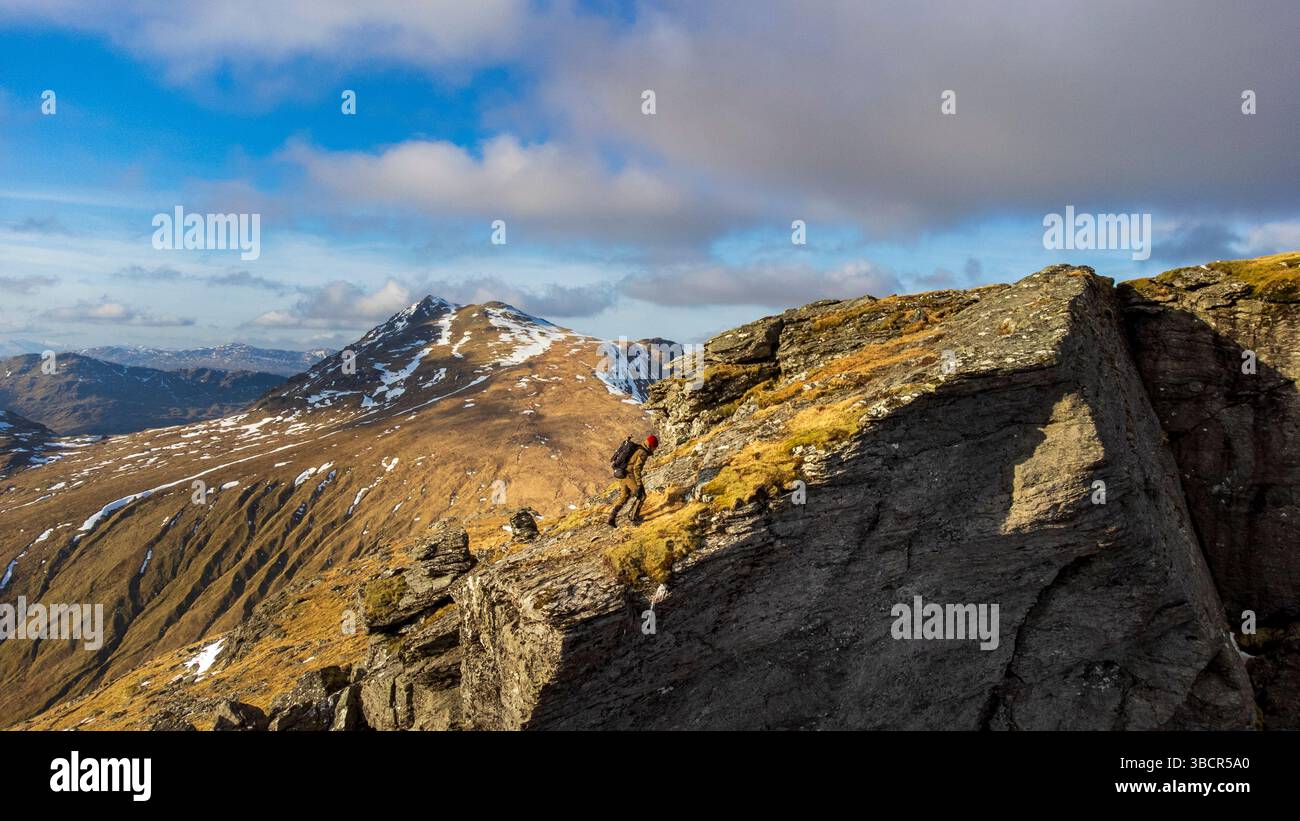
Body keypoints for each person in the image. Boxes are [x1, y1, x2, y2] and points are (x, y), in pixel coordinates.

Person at [608, 434, 658, 527]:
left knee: (624, 496)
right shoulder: (643, 453)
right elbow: (636, 469)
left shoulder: (638, 447)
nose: (654, 450)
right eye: (654, 448)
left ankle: (611, 517)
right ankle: (633, 518)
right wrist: (639, 484)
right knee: (641, 495)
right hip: (629, 475)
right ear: (651, 446)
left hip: (621, 473)